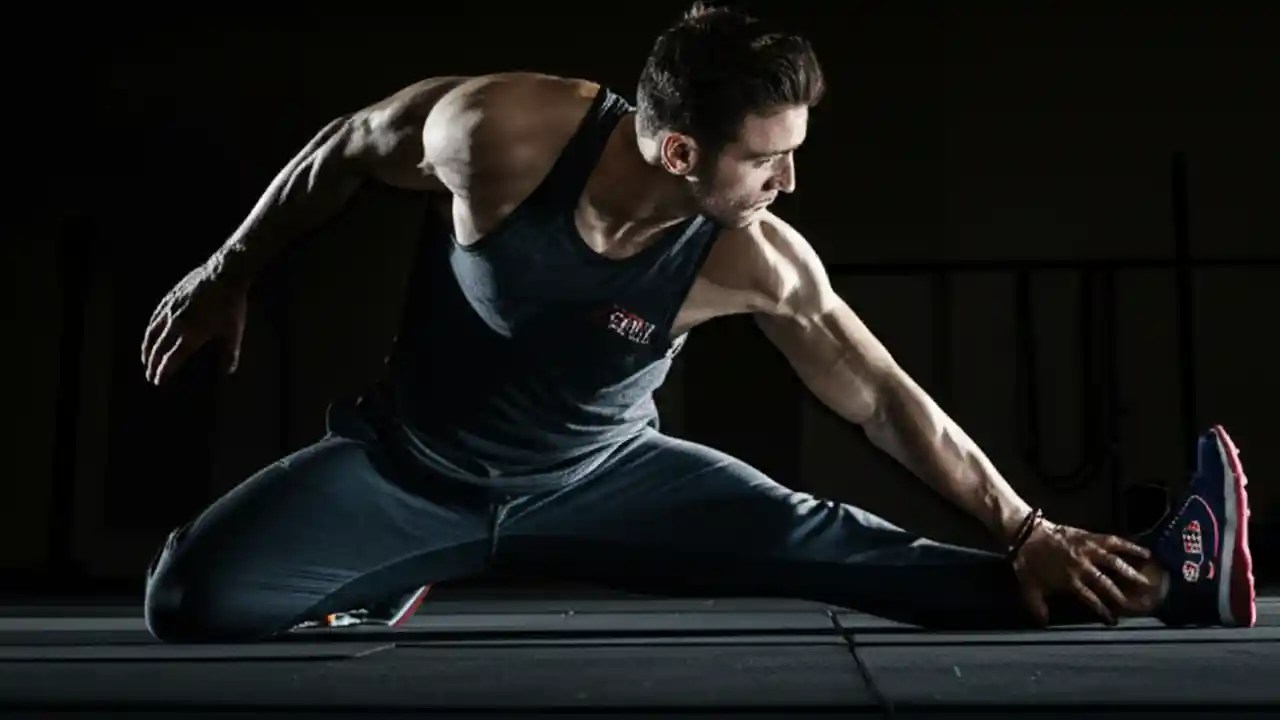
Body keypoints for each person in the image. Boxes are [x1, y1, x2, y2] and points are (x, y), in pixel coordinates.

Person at [138, 2, 1255, 642]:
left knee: (852, 551)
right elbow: (343, 146)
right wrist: (229, 269)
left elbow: (876, 395)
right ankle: (389, 566)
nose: (788, 183)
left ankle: (1161, 579)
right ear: (679, 151)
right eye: (767, 159)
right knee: (189, 603)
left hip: (608, 479)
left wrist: (1022, 527)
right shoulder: (501, 136)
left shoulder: (750, 254)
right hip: (410, 470)